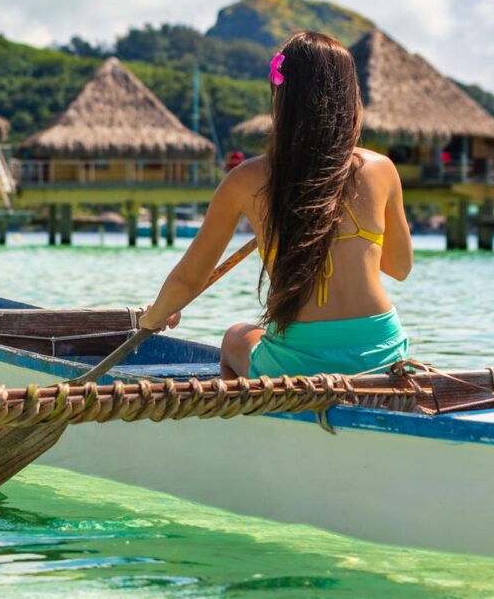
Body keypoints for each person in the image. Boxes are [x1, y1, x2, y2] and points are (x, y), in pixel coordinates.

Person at [139, 31, 413, 379]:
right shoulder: (382, 169)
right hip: (383, 353)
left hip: (299, 362)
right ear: (350, 98)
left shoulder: (244, 180)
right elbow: (400, 267)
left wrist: (155, 317)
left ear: (281, 99)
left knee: (235, 337)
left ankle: (253, 427)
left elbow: (187, 280)